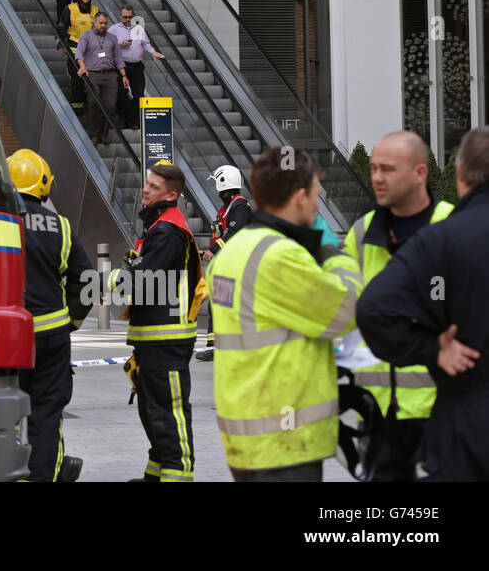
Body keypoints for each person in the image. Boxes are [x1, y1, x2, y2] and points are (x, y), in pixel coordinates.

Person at [208, 146, 362, 482]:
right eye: (317, 194)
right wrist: (334, 254)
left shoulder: (230, 254)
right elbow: (345, 311)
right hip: (284, 443)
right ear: (301, 196)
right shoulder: (279, 257)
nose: (318, 204)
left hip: (246, 436)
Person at [345, 131, 459, 481]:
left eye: (388, 169)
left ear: (420, 174)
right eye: (375, 168)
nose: (377, 177)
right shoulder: (363, 232)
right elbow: (347, 312)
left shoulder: (452, 225)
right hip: (380, 411)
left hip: (443, 405)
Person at [106, 161, 202, 482]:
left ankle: (177, 476)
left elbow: (143, 282)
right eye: (147, 184)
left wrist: (116, 279)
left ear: (172, 194)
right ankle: (156, 475)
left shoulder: (169, 231)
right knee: (153, 413)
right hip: (154, 340)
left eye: (154, 187)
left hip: (167, 341)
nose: (145, 190)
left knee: (169, 413)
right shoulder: (158, 227)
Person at [9, 149, 92, 483]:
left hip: (6, 338)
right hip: (52, 339)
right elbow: (85, 279)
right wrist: (72, 320)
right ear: (44, 185)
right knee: (46, 414)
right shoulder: (62, 227)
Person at [195, 164, 254, 361]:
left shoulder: (239, 206)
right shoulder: (230, 207)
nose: (216, 190)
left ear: (223, 183)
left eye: (217, 184)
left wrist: (213, 250)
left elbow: (234, 233)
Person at [74, 12, 129, 145]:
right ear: (94, 22)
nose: (103, 25)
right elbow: (79, 54)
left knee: (110, 106)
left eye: (105, 23)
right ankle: (93, 134)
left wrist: (124, 75)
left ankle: (103, 134)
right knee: (93, 103)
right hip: (93, 74)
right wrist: (83, 67)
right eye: (101, 23)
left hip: (110, 75)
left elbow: (118, 58)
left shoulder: (112, 38)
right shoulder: (86, 36)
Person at [108, 6, 165, 130]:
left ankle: (133, 119)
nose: (127, 19)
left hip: (137, 66)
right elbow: (107, 45)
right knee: (121, 93)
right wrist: (120, 44)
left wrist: (153, 52)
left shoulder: (138, 28)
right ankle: (123, 119)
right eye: (125, 17)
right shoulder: (114, 29)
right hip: (122, 66)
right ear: (120, 16)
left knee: (139, 94)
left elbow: (145, 43)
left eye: (129, 17)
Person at [56, 0, 100, 113]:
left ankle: (87, 103)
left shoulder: (96, 10)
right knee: (76, 77)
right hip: (74, 49)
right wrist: (60, 44)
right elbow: (62, 27)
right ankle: (77, 107)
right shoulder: (70, 9)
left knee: (91, 78)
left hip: (91, 51)